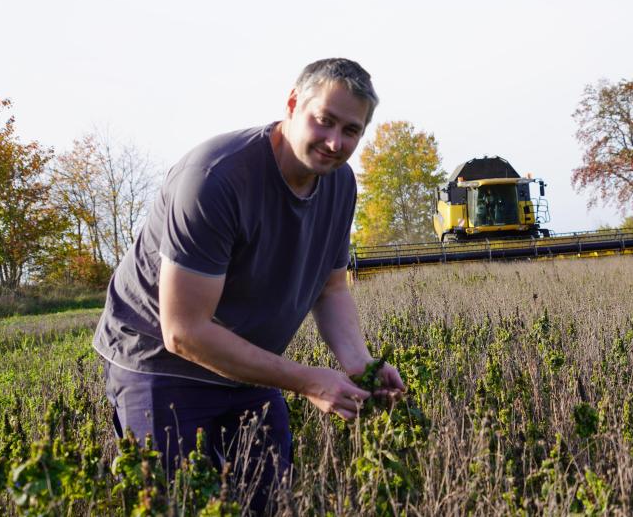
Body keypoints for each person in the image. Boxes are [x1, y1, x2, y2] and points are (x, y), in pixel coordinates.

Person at [92, 58, 405, 514]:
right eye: (325, 121)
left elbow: (331, 288)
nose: (336, 142)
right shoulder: (216, 178)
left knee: (270, 500)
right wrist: (309, 382)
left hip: (246, 364)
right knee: (179, 504)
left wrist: (359, 363)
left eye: (352, 131)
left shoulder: (339, 184)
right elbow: (183, 332)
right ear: (293, 105)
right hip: (158, 364)